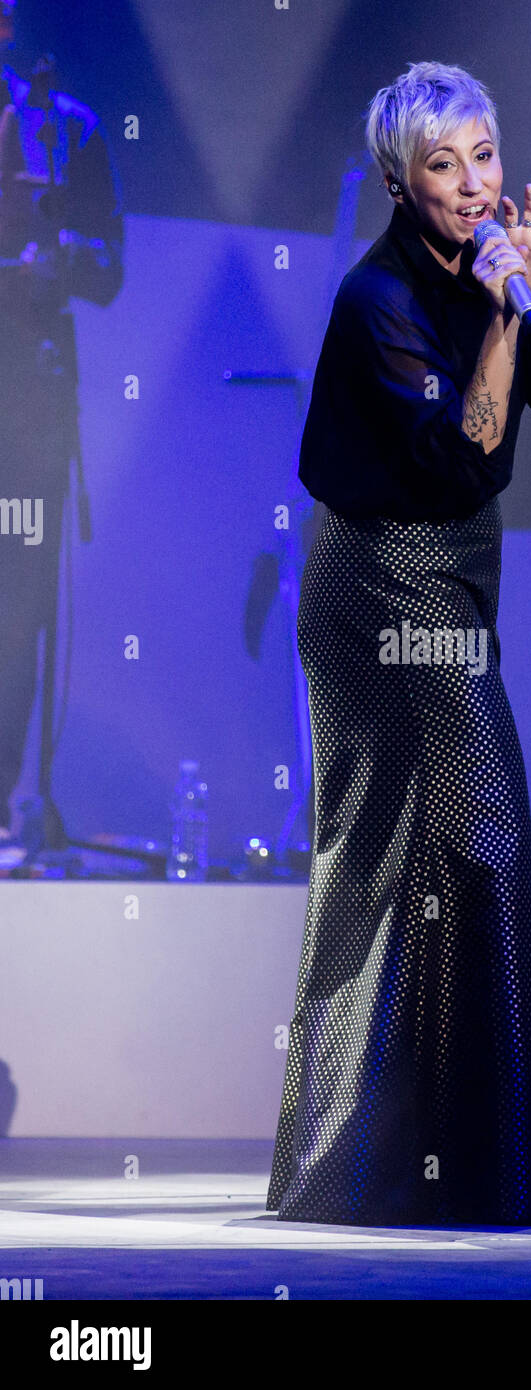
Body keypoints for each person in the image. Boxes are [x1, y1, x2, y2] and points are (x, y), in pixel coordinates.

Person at [265, 60, 531, 1227]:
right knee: (441, 835)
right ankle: (371, 1166)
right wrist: (508, 316)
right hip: (373, 586)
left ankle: (431, 1168)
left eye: (484, 155)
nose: (471, 184)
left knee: (452, 854)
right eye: (442, 165)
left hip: (452, 576)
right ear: (398, 182)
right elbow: (459, 451)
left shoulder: (487, 268)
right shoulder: (376, 298)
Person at [0, 2, 123, 845]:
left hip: (27, 417)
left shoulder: (62, 126)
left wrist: (59, 257)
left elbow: (111, 267)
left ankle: (10, 808)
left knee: (17, 616)